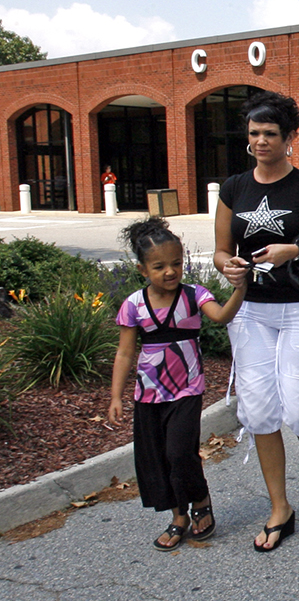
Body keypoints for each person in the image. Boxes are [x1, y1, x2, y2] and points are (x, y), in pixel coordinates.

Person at [213, 91, 299, 551]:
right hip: (250, 312)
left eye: (270, 133)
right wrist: (226, 267)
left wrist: (294, 250)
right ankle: (280, 508)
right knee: (259, 411)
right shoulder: (234, 188)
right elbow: (219, 250)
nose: (261, 141)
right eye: (254, 134)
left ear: (290, 137)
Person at [108, 217, 247, 550]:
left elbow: (222, 316)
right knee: (158, 457)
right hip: (149, 394)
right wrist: (116, 396)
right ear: (143, 270)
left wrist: (240, 289)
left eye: (176, 263)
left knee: (179, 452)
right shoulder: (134, 305)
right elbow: (125, 354)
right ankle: (178, 516)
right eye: (159, 266)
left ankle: (200, 502)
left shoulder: (194, 296)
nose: (170, 272)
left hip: (187, 390)